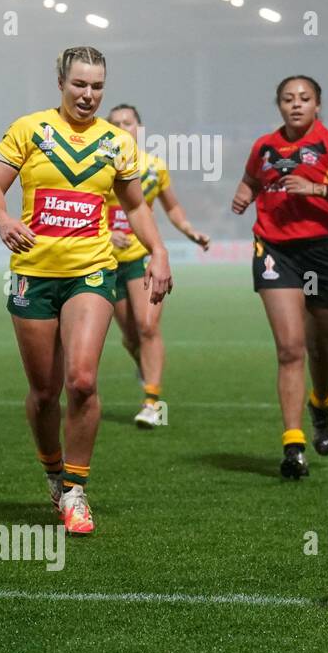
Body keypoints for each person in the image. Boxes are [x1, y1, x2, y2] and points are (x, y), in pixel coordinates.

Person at [0, 46, 173, 534]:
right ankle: (51, 471)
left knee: (82, 380)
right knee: (44, 392)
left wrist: (159, 251)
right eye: (80, 85)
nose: (89, 95)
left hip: (91, 270)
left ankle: (76, 489)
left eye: (97, 86)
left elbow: (137, 205)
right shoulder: (30, 129)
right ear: (61, 82)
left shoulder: (116, 142)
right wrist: (3, 220)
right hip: (33, 273)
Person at [231, 75, 328, 478]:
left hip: (324, 253)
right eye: (288, 99)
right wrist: (245, 193)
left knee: (320, 347)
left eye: (304, 98)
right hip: (275, 250)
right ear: (278, 105)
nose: (296, 105)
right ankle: (293, 445)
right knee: (290, 348)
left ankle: (322, 403)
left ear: (317, 104)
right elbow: (251, 179)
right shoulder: (264, 146)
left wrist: (318, 190)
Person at [104, 103, 210, 427]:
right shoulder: (97, 166)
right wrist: (107, 233)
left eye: (129, 122)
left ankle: (152, 402)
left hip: (141, 258)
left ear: (140, 127)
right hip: (106, 260)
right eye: (116, 123)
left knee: (148, 326)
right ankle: (145, 365)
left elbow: (172, 207)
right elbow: (87, 208)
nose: (123, 127)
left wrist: (189, 229)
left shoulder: (153, 166)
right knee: (132, 337)